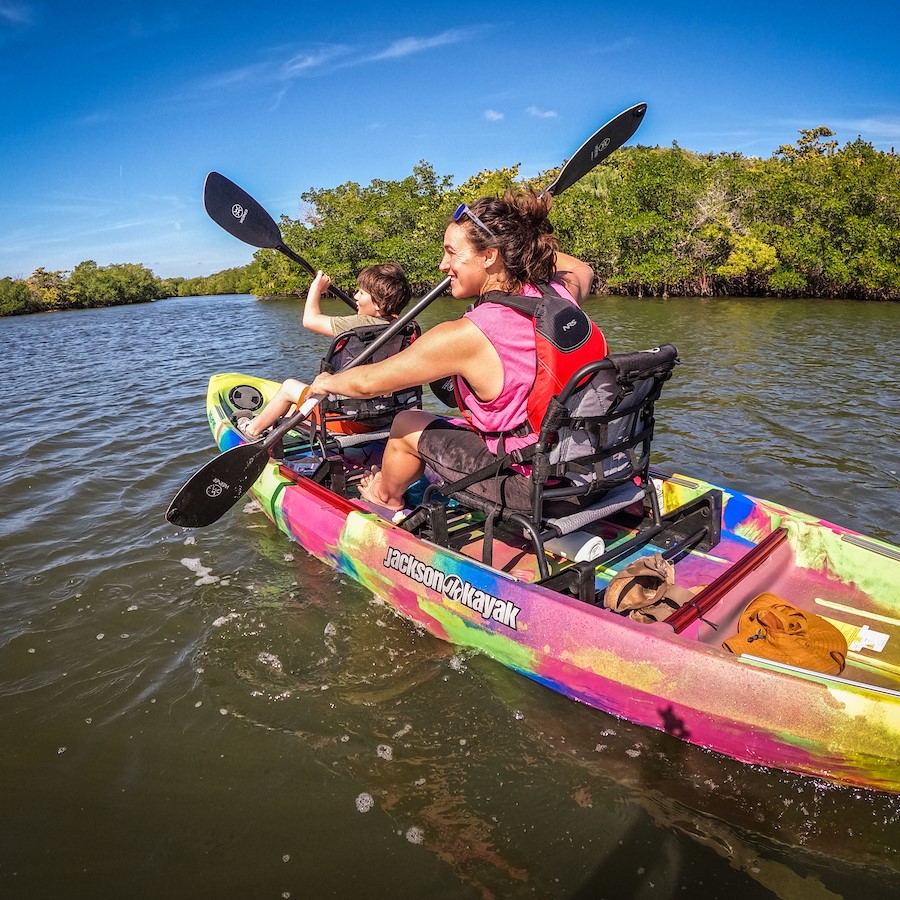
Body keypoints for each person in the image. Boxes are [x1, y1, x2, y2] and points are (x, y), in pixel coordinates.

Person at [307, 189, 605, 513]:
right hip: (590, 466)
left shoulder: (469, 334)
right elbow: (582, 269)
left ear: (490, 255)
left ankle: (383, 498)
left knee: (407, 423)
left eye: (452, 253)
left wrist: (327, 382)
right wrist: (521, 230)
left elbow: (368, 382)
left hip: (532, 486)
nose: (442, 265)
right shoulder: (559, 294)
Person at [240, 263, 412, 438]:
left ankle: (252, 429)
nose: (355, 296)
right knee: (299, 399)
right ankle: (279, 424)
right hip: (391, 415)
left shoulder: (356, 325)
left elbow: (309, 320)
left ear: (378, 303)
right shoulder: (408, 327)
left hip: (347, 419)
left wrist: (316, 288)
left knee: (288, 387)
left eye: (361, 292)